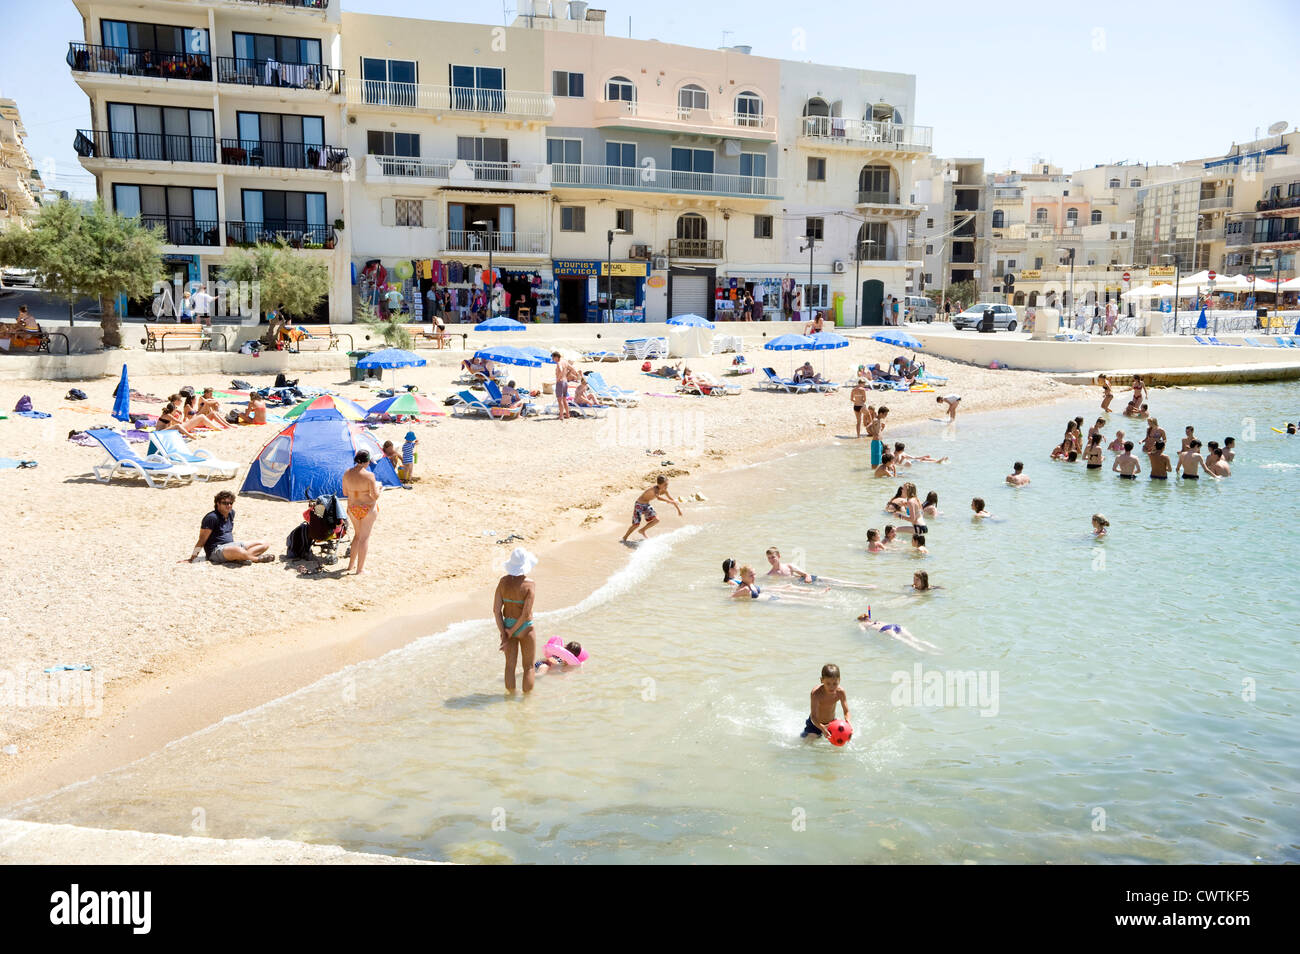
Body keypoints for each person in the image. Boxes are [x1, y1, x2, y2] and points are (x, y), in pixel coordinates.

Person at [494, 547, 538, 694]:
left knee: (510, 667)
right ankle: (527, 703)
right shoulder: (529, 585)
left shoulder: (502, 582)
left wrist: (504, 632)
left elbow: (496, 610)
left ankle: (510, 697)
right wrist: (512, 632)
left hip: (507, 625)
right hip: (524, 627)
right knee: (529, 667)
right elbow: (525, 614)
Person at [187, 490, 273, 565]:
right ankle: (256, 559)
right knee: (238, 550)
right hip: (216, 550)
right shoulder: (211, 518)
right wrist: (192, 557)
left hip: (231, 546)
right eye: (225, 503)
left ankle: (241, 558)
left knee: (264, 543)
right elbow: (202, 540)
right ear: (218, 503)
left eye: (230, 503)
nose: (228, 505)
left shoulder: (231, 513)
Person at [342, 450, 381, 575]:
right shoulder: (369, 476)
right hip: (367, 508)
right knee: (364, 538)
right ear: (366, 461)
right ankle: (360, 569)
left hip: (352, 507)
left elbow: (345, 493)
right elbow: (375, 496)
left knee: (357, 536)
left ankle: (350, 566)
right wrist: (379, 488)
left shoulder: (347, 473)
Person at [620, 475, 682, 543]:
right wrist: (670, 501)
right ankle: (624, 537)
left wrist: (678, 510)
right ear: (659, 484)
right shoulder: (655, 489)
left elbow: (672, 499)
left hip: (646, 505)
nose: (666, 486)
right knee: (636, 525)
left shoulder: (664, 491)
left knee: (656, 520)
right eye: (665, 485)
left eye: (667, 484)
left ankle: (642, 530)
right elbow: (658, 498)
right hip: (639, 505)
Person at [801, 664, 851, 741]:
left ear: (839, 680)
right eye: (828, 683)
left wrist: (848, 721)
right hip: (815, 724)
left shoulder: (840, 692)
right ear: (822, 680)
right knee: (807, 742)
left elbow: (846, 711)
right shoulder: (816, 693)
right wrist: (822, 728)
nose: (831, 687)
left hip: (831, 723)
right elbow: (813, 716)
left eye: (835, 683)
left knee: (843, 740)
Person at [858, 607, 940, 654]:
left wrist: (866, 638)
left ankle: (922, 650)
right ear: (868, 618)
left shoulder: (862, 624)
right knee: (915, 639)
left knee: (904, 641)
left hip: (887, 629)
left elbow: (864, 632)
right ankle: (934, 647)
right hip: (895, 625)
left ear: (861, 620)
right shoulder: (875, 621)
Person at [551, 350, 577, 420]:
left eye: (553, 358)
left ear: (556, 357)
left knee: (560, 400)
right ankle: (567, 414)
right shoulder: (565, 361)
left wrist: (558, 379)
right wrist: (567, 375)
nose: (553, 360)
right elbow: (573, 369)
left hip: (560, 382)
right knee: (564, 399)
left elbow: (561, 369)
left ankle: (561, 415)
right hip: (565, 382)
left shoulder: (559, 363)